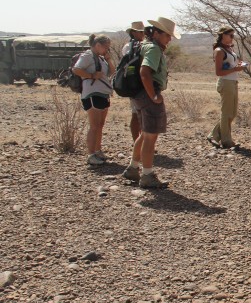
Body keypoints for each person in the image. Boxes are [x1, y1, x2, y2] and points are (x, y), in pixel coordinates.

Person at [122, 17, 180, 188]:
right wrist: (154, 96)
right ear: (156, 33)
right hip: (148, 95)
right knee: (150, 136)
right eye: (167, 35)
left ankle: (133, 168)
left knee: (144, 134)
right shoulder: (154, 49)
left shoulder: (144, 45)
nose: (169, 39)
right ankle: (147, 175)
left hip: (139, 95)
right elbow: (145, 72)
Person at [73, 34, 115, 165]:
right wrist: (91, 75)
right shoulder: (87, 56)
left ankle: (97, 150)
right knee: (94, 126)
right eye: (106, 47)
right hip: (92, 94)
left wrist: (108, 59)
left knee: (100, 125)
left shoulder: (101, 58)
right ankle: (91, 154)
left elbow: (112, 71)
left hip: (103, 93)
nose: (107, 50)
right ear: (97, 45)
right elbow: (76, 69)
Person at [207, 26, 245, 149]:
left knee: (232, 112)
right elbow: (218, 72)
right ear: (223, 35)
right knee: (226, 112)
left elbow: (234, 63)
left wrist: (239, 65)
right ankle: (226, 140)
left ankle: (214, 135)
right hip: (226, 82)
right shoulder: (219, 51)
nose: (232, 38)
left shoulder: (229, 49)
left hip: (233, 82)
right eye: (231, 35)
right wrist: (235, 69)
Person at [122, 21, 145, 141]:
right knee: (136, 113)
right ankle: (137, 141)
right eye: (140, 32)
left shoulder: (139, 45)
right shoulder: (129, 47)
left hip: (139, 83)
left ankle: (140, 142)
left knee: (140, 113)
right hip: (135, 84)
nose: (142, 34)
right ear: (133, 32)